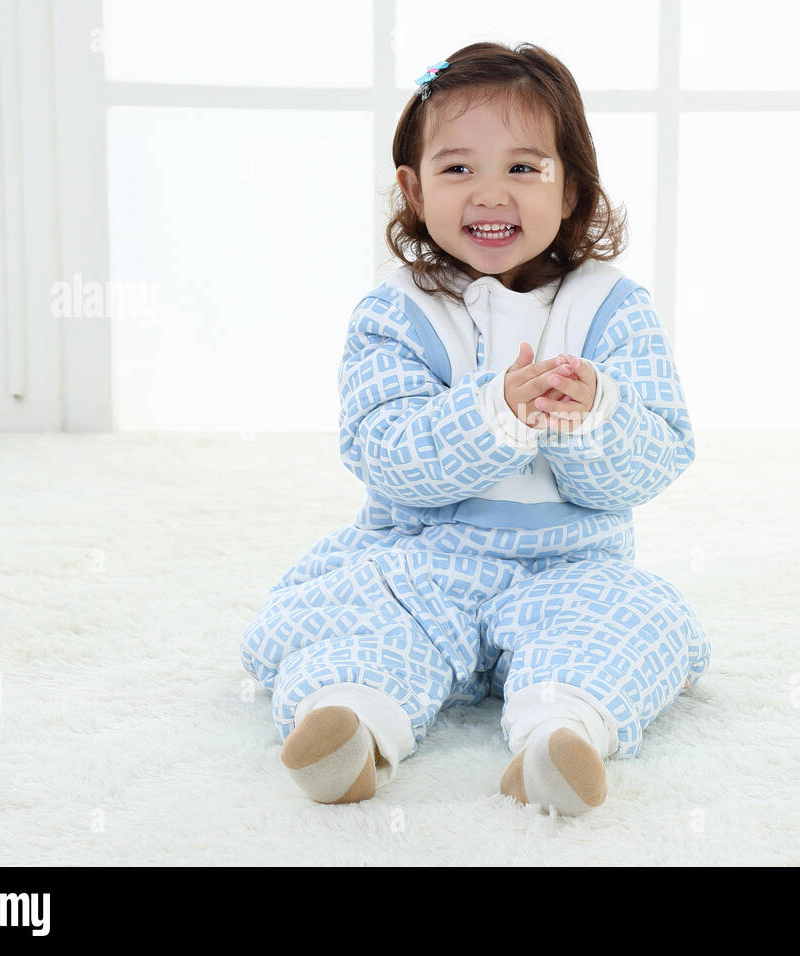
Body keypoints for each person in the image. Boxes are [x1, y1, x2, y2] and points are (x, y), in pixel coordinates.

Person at [240, 41, 710, 816]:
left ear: (571, 191)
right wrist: (493, 414)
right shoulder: (397, 313)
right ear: (413, 190)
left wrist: (592, 416)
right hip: (425, 559)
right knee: (363, 619)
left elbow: (658, 456)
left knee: (635, 623)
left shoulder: (611, 308)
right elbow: (383, 451)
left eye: (523, 168)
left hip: (573, 566)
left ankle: (560, 740)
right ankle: (353, 724)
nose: (490, 193)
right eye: (458, 168)